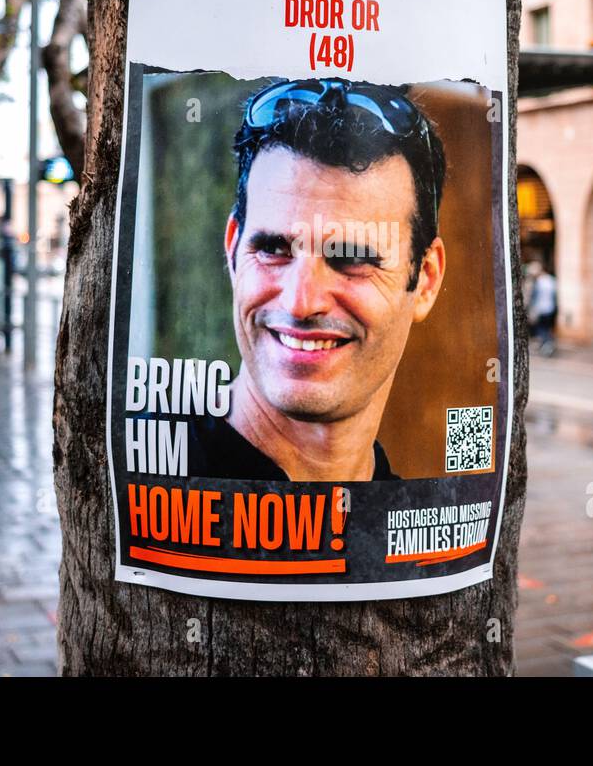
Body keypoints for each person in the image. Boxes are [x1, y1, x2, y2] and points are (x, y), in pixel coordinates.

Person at [184, 78, 447, 482]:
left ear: (426, 279)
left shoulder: (408, 525)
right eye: (273, 249)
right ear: (233, 251)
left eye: (352, 259)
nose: (300, 303)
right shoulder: (145, 473)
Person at [527, 260, 558, 355]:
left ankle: (546, 345)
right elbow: (555, 295)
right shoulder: (551, 280)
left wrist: (531, 308)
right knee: (547, 327)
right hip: (550, 308)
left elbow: (534, 297)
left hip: (541, 309)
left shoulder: (539, 282)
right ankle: (548, 344)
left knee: (541, 328)